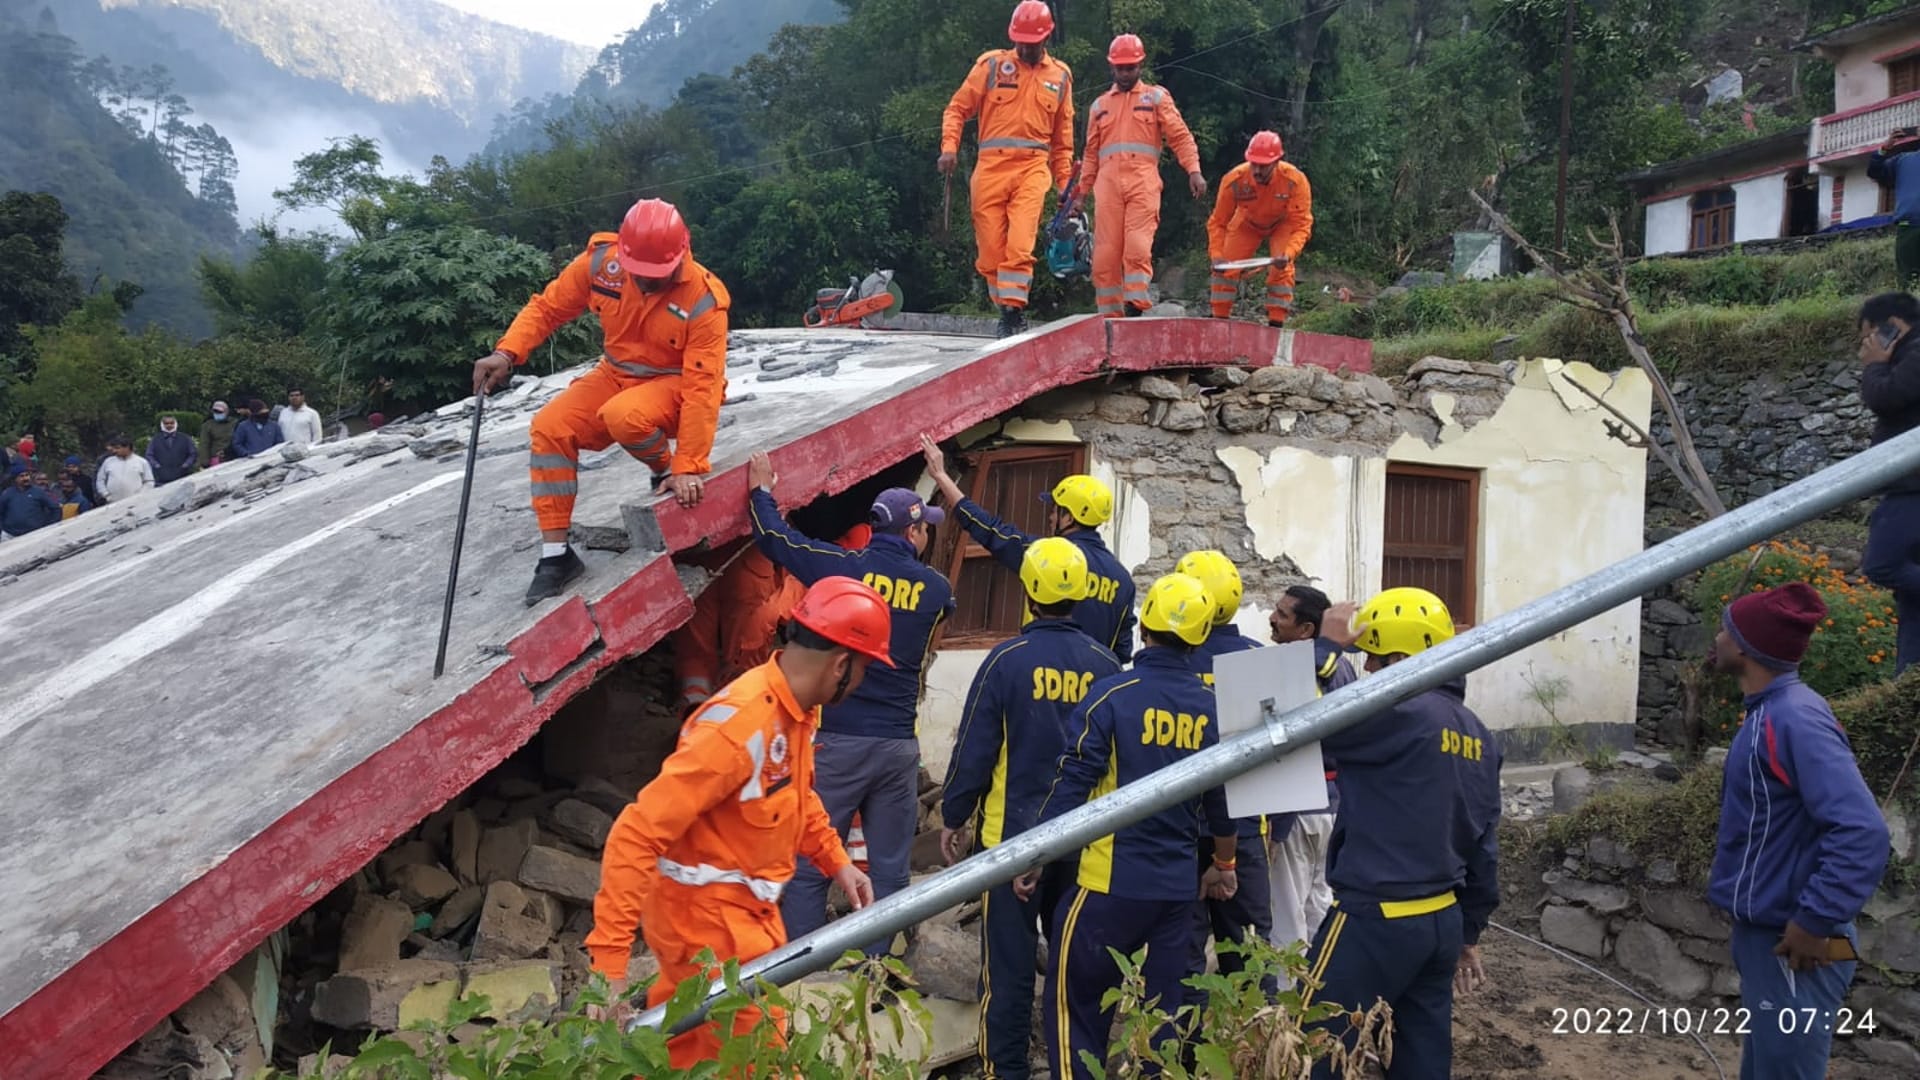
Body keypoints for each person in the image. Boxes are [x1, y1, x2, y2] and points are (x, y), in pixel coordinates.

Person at [587, 577, 887, 1068]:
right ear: (841, 665)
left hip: (742, 923)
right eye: (865, 671)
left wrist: (837, 863)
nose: (861, 684)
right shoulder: (740, 726)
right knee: (760, 1063)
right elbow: (636, 833)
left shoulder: (795, 714)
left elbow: (794, 796)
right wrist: (609, 968)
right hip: (708, 934)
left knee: (682, 1058)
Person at [1023, 572, 1238, 1080]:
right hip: (1175, 892)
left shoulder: (1112, 696)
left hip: (1106, 887)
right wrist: (1223, 864)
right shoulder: (1211, 709)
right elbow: (1222, 800)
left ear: (1143, 628)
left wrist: (1034, 856)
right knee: (1161, 1023)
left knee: (1075, 1008)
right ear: (1200, 639)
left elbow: (1072, 781)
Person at [471, 198, 731, 606]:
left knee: (622, 415)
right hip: (615, 375)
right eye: (638, 274)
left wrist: (687, 467)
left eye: (654, 276)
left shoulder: (703, 299)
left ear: (680, 255)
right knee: (549, 427)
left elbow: (703, 387)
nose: (645, 284)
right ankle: (556, 556)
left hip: (673, 387)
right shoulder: (600, 266)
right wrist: (506, 353)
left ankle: (660, 467)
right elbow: (547, 307)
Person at [745, 450, 956, 950]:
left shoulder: (843, 570)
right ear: (913, 534)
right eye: (925, 527)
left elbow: (777, 541)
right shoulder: (936, 590)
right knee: (888, 868)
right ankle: (878, 970)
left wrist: (760, 493)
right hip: (898, 748)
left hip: (838, 743)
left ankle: (801, 970)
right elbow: (935, 627)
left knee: (811, 862)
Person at [941, 537, 1122, 1080]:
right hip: (1083, 843)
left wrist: (954, 813)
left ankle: (1007, 1069)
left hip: (1011, 841)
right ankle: (1075, 1065)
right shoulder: (1107, 663)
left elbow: (975, 746)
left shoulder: (1007, 660)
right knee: (1075, 967)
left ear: (1029, 591)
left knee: (1009, 966)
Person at [1304, 587, 1501, 1080]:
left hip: (1375, 917)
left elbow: (1305, 723)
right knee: (1421, 1059)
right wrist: (1469, 934)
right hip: (1441, 920)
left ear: (1397, 656)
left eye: (1372, 660)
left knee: (1311, 1045)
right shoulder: (1477, 733)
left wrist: (1326, 649)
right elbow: (1485, 845)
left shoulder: (1398, 714)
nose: (1367, 672)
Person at [1706, 583, 1890, 1080]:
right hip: (1769, 939)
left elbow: (1864, 831)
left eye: (1726, 628)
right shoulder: (1768, 713)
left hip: (1795, 948)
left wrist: (1816, 918)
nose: (1717, 637)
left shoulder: (1795, 720)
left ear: (1744, 646)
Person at [921, 434, 1136, 660]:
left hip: (1038, 677)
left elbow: (987, 528)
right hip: (1095, 688)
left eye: (1054, 510)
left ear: (1069, 518)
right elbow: (1121, 653)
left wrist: (941, 476)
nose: (1050, 517)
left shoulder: (1044, 555)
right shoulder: (1123, 580)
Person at [1172, 551, 1277, 1003]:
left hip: (1175, 829)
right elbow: (1285, 752)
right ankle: (1258, 1055)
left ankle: (1185, 1059)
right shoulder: (1262, 660)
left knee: (1183, 954)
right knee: (1251, 952)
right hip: (1245, 828)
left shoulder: (1169, 663)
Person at [940, 0, 1075, 339]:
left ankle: (1013, 313)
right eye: (1021, 41)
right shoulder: (991, 67)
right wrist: (949, 149)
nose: (1026, 47)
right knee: (990, 254)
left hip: (1032, 169)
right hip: (990, 170)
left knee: (1019, 244)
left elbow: (1063, 141)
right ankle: (1005, 309)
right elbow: (956, 109)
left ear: (1046, 38)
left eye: (1032, 42)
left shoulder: (1059, 77)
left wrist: (1065, 186)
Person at [670, 523, 873, 715]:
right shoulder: (823, 583)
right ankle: (715, 695)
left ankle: (699, 695)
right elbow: (764, 618)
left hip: (719, 550)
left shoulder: (826, 564)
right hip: (750, 564)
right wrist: (743, 675)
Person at [1080, 33, 1204, 318]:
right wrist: (1080, 194)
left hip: (1142, 181)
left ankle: (1135, 304)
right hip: (1107, 185)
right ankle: (1109, 316)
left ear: (1140, 66)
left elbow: (1180, 137)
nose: (1125, 73)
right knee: (1104, 257)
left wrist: (1193, 170)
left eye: (1130, 67)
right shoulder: (1099, 106)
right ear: (1112, 67)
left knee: (1136, 246)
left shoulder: (1156, 97)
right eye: (1120, 68)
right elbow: (1090, 155)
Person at [1265, 583, 1358, 947]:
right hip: (1334, 805)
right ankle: (1321, 989)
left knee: (1287, 913)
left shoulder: (1298, 670)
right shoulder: (1346, 670)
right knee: (1319, 904)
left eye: (1282, 615)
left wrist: (1277, 823)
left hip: (1299, 808)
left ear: (1306, 631)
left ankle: (1288, 1001)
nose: (1272, 618)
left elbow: (1288, 747)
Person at [1856, 291, 1920, 671]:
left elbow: (1887, 396)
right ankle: (1908, 686)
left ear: (1890, 327)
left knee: (1882, 564)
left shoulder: (1916, 351)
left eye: (1868, 336)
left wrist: (1875, 365)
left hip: (1911, 488)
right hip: (1907, 484)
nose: (1864, 346)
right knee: (1911, 603)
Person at [1208, 131, 1314, 327]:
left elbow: (1302, 225)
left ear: (1276, 162)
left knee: (1282, 269)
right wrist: (1216, 254)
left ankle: (1276, 323)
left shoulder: (1295, 181)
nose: (1257, 170)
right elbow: (1218, 222)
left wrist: (1289, 254)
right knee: (1224, 268)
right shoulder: (1234, 180)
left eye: (1263, 166)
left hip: (1282, 224)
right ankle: (1219, 320)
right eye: (1253, 163)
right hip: (1247, 223)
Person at [1868, 127, 1920, 286]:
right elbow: (1875, 172)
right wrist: (1884, 149)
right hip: (1909, 227)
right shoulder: (1903, 160)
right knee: (1909, 280)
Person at [95, 435, 155, 503]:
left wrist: (140, 495)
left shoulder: (141, 462)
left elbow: (149, 481)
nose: (114, 451)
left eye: (117, 448)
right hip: (113, 503)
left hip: (137, 502)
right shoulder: (108, 461)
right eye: (114, 448)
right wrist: (106, 495)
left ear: (127, 447)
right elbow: (100, 480)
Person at [0, 470, 59, 538]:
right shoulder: (7, 493)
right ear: (15, 479)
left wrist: (50, 526)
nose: (25, 478)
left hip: (34, 534)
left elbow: (55, 508)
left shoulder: (38, 491)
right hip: (10, 535)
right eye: (22, 476)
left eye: (27, 475)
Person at [146, 416, 199, 485]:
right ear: (162, 425)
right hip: (161, 478)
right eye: (166, 423)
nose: (169, 425)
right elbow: (149, 454)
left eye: (171, 423)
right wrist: (156, 465)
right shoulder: (155, 439)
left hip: (182, 476)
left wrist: (186, 464)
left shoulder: (185, 438)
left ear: (175, 424)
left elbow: (193, 453)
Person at [199, 401, 238, 467]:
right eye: (215, 411)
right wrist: (204, 462)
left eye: (220, 412)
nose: (217, 413)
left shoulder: (235, 423)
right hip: (216, 458)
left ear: (226, 412)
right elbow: (204, 444)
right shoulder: (208, 425)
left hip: (233, 457)